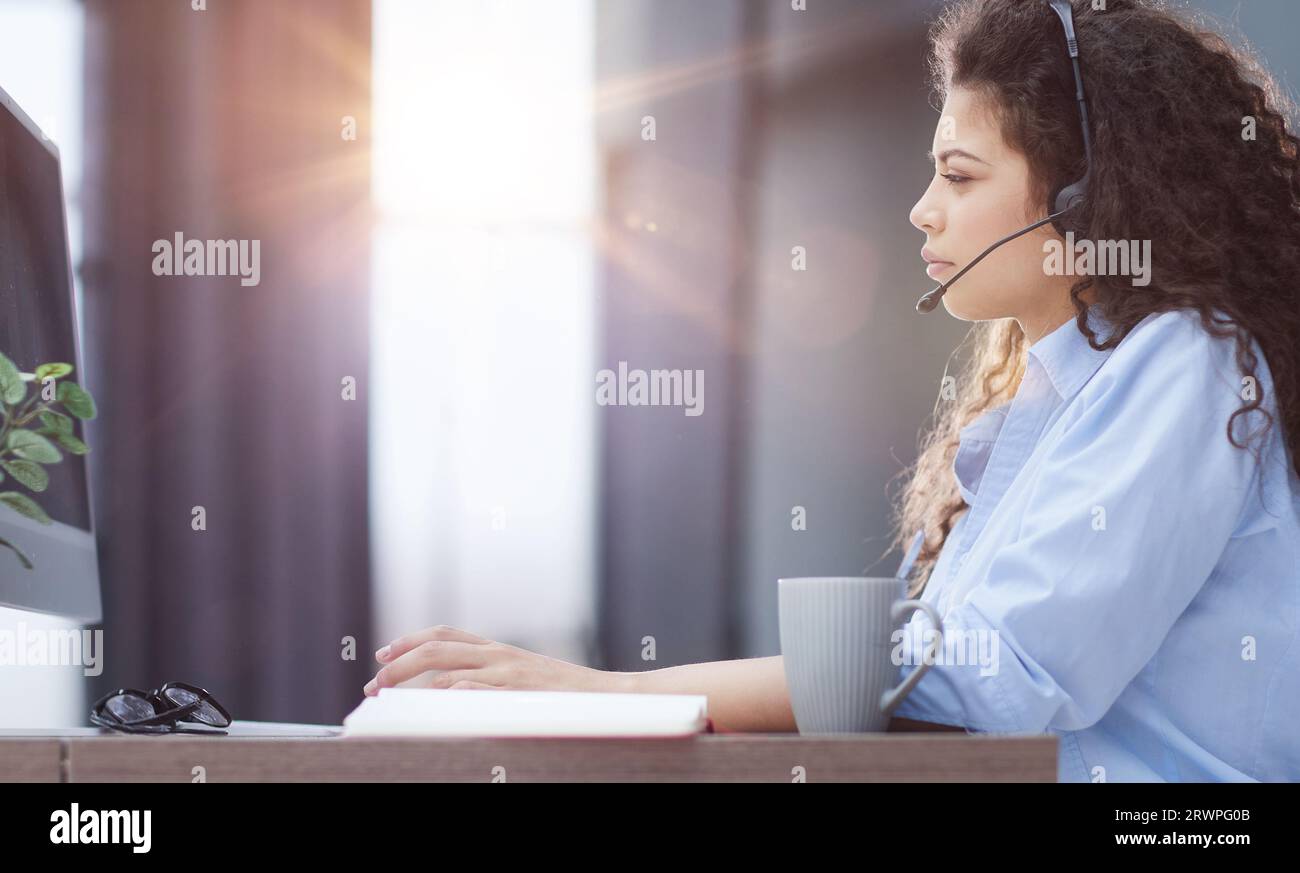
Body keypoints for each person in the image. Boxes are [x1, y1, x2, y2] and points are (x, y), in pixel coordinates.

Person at [364, 0, 1300, 781]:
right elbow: (906, 691)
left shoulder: (1184, 361)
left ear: (1081, 208)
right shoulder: (1037, 398)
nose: (922, 207)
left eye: (958, 174)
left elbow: (1000, 677)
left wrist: (598, 691)